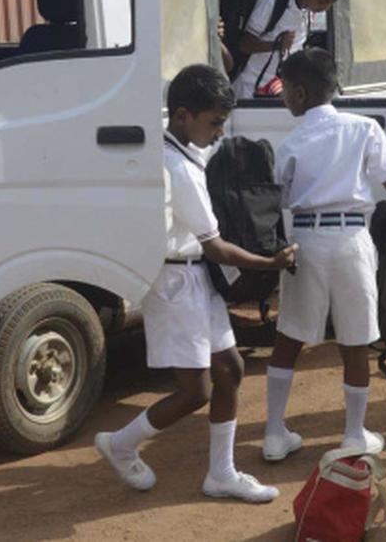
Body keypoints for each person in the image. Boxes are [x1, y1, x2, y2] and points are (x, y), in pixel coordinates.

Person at [94, 65, 297, 503]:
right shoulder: (175, 165)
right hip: (176, 281)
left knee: (230, 370)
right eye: (215, 122)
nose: (220, 132)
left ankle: (221, 473)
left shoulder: (180, 152)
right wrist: (270, 262)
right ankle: (121, 443)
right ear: (183, 115)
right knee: (195, 391)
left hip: (193, 275)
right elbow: (217, 248)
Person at [261, 48, 386, 462]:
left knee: (289, 335)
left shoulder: (291, 142)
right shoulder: (364, 128)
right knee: (355, 339)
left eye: (285, 90)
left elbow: (279, 198)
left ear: (300, 93)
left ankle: (273, 433)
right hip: (351, 239)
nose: (283, 97)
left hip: (305, 241)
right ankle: (354, 434)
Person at [231, 0, 348, 100]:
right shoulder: (273, 0)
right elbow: (244, 45)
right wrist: (277, 45)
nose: (324, 8)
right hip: (249, 91)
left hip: (281, 91)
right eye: (321, 1)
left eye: (330, 4)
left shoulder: (309, 9)